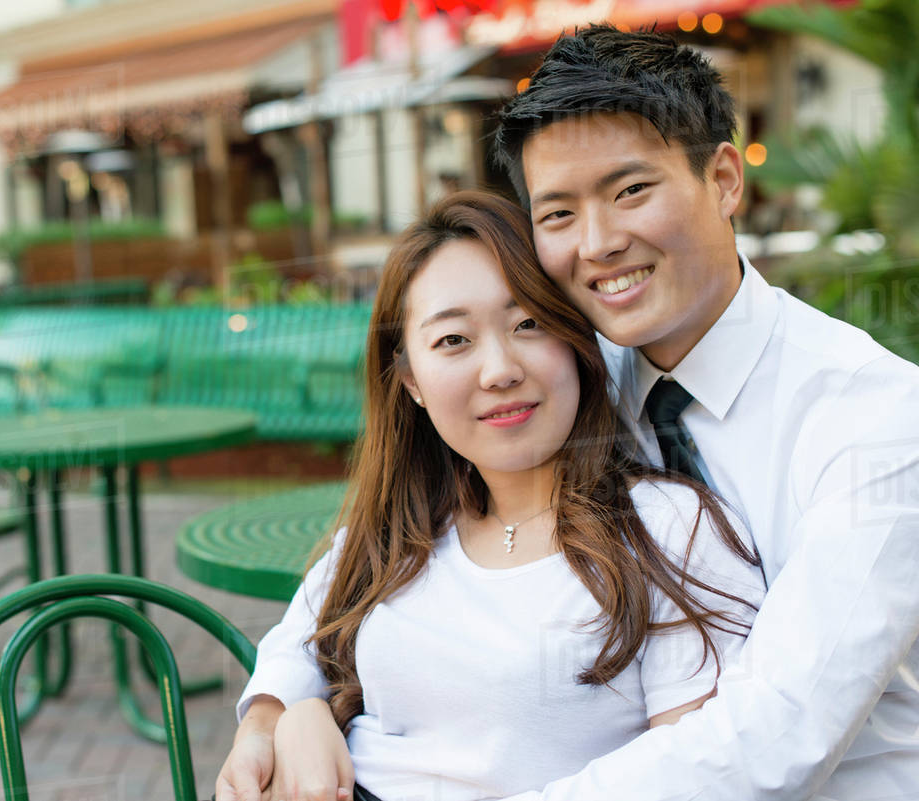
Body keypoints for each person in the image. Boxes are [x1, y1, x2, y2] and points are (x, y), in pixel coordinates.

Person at [485, 24, 919, 800]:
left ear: (723, 178)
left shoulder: (876, 416)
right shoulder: (572, 385)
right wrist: (287, 696)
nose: (598, 243)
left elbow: (783, 735)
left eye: (631, 191)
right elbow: (393, 531)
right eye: (557, 215)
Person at [215, 190, 765, 801]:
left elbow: (700, 772)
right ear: (411, 383)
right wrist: (281, 721)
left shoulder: (667, 532)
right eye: (453, 340)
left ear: (577, 343)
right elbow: (301, 641)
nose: (499, 369)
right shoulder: (401, 528)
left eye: (528, 323)